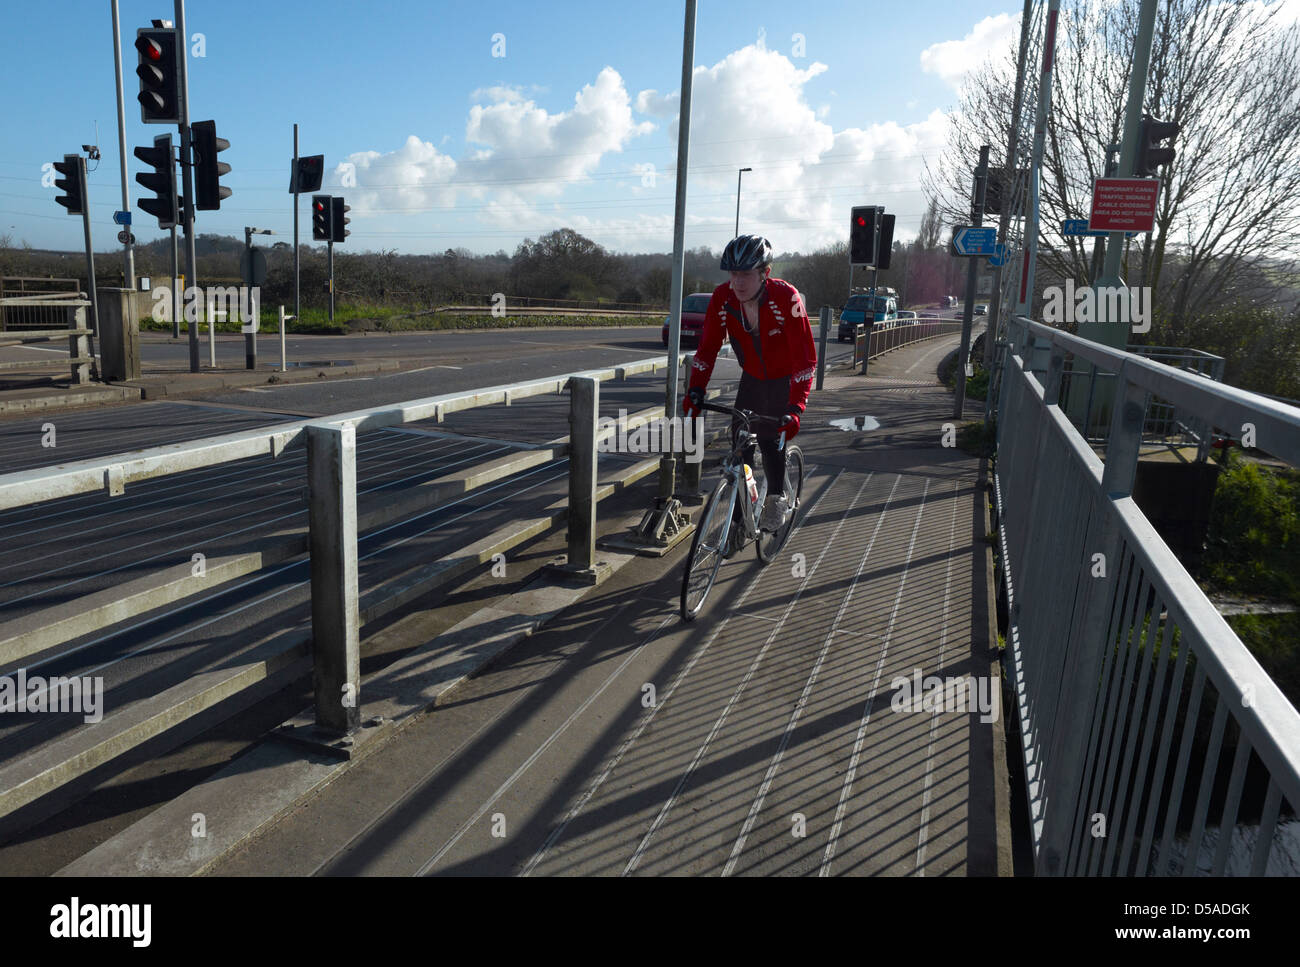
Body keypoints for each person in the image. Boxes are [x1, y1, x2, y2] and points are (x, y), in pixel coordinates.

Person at [681, 234, 816, 532]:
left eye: (746, 274)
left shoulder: (786, 297)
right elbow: (707, 349)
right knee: (740, 442)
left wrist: (796, 406)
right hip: (753, 377)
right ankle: (741, 514)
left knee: (770, 439)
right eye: (733, 274)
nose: (738, 282)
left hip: (784, 379)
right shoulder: (723, 298)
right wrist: (696, 389)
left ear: (765, 273)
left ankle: (777, 498)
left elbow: (805, 359)